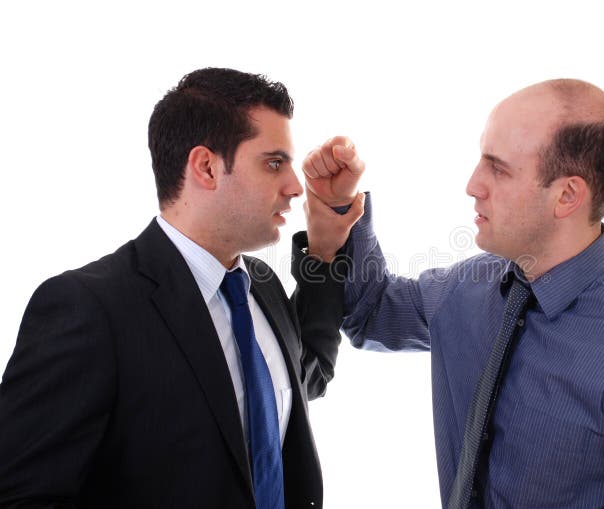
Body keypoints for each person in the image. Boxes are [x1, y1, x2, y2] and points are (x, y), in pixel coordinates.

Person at [301, 80, 604, 507]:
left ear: (568, 196)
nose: (473, 184)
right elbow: (370, 312)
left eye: (498, 168)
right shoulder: (467, 289)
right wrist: (343, 205)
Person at [0, 67, 363, 509]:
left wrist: (325, 250)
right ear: (206, 167)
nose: (294, 187)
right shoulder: (88, 308)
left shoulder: (260, 286)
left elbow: (305, 376)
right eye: (273, 163)